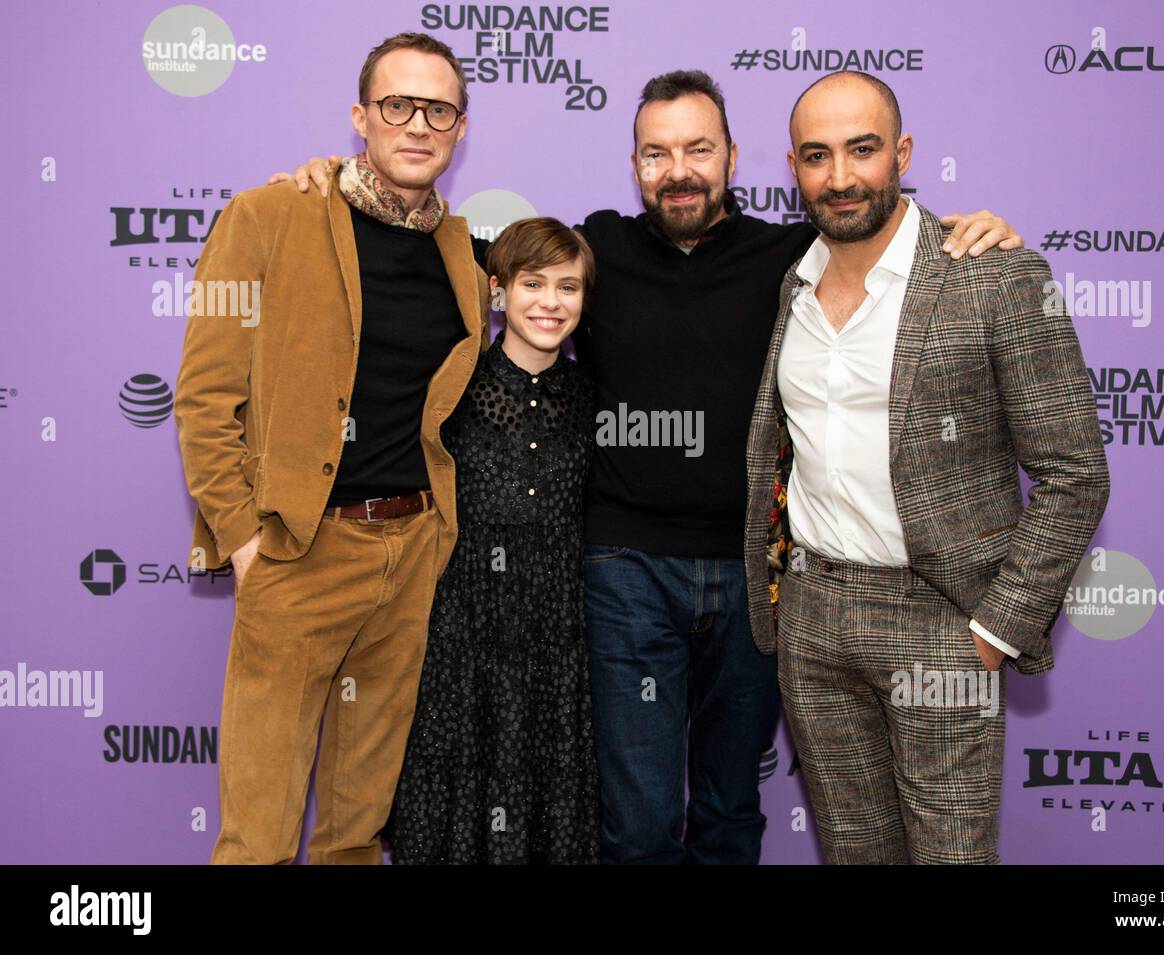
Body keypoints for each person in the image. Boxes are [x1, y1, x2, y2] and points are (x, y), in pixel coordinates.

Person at [279, 68, 1022, 865]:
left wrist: (966, 231)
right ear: (635, 167)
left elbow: (878, 227)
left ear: (735, 158)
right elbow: (480, 255)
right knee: (635, 823)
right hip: (624, 571)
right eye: (657, 153)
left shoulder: (793, 256)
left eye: (698, 149)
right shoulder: (595, 250)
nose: (679, 170)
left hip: (755, 579)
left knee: (730, 811)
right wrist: (343, 182)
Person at [742, 71, 1109, 863]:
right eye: (817, 156)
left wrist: (991, 633)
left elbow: (1075, 471)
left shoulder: (995, 276)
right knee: (853, 853)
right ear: (793, 168)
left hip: (941, 620)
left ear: (902, 152)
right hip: (812, 620)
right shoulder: (792, 286)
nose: (840, 177)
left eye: (862, 150)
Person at [175, 32, 488, 864]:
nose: (417, 123)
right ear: (361, 118)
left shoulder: (461, 249)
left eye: (439, 109)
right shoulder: (271, 215)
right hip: (298, 550)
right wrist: (245, 541)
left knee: (356, 830)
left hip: (411, 549)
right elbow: (206, 399)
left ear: (460, 129)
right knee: (259, 837)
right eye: (397, 104)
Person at [385, 217, 601, 864]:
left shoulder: (595, 398)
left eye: (568, 286)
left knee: (546, 800)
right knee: (455, 802)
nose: (551, 302)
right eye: (533, 283)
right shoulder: (453, 390)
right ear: (499, 289)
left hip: (557, 635)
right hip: (462, 627)